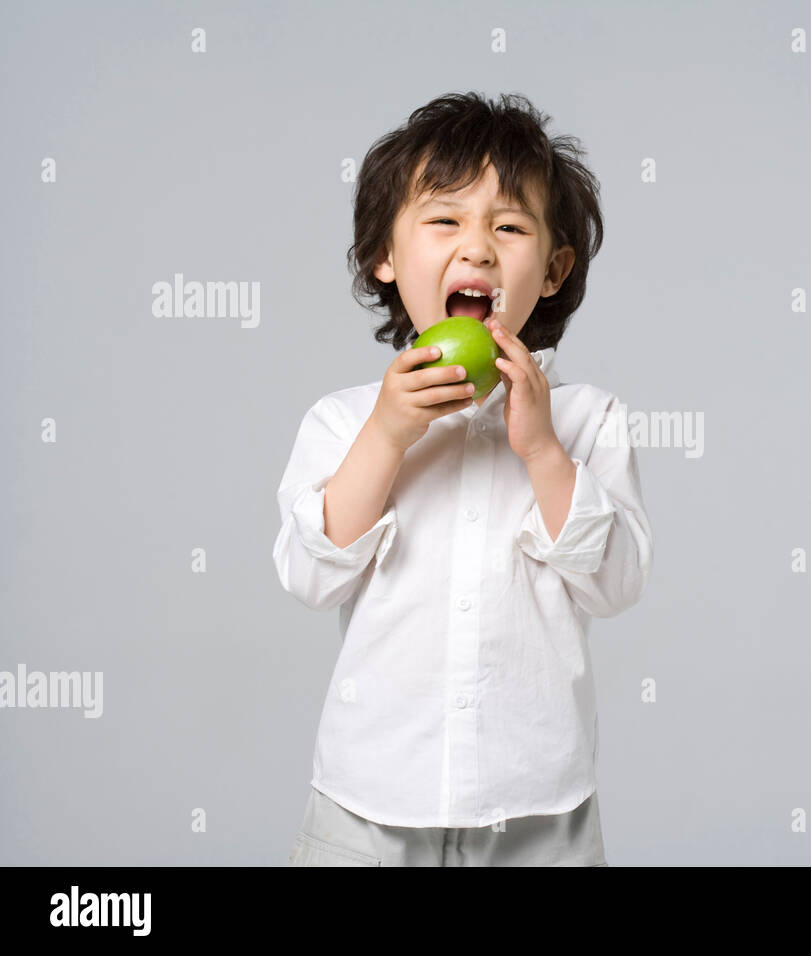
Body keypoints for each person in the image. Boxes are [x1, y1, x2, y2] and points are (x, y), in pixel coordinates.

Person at [272, 91, 653, 866]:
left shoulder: (589, 421)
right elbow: (311, 574)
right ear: (385, 254)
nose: (477, 247)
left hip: (539, 810)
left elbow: (615, 586)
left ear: (552, 271)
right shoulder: (344, 421)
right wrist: (388, 434)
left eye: (509, 226)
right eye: (445, 220)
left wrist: (544, 452)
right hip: (369, 805)